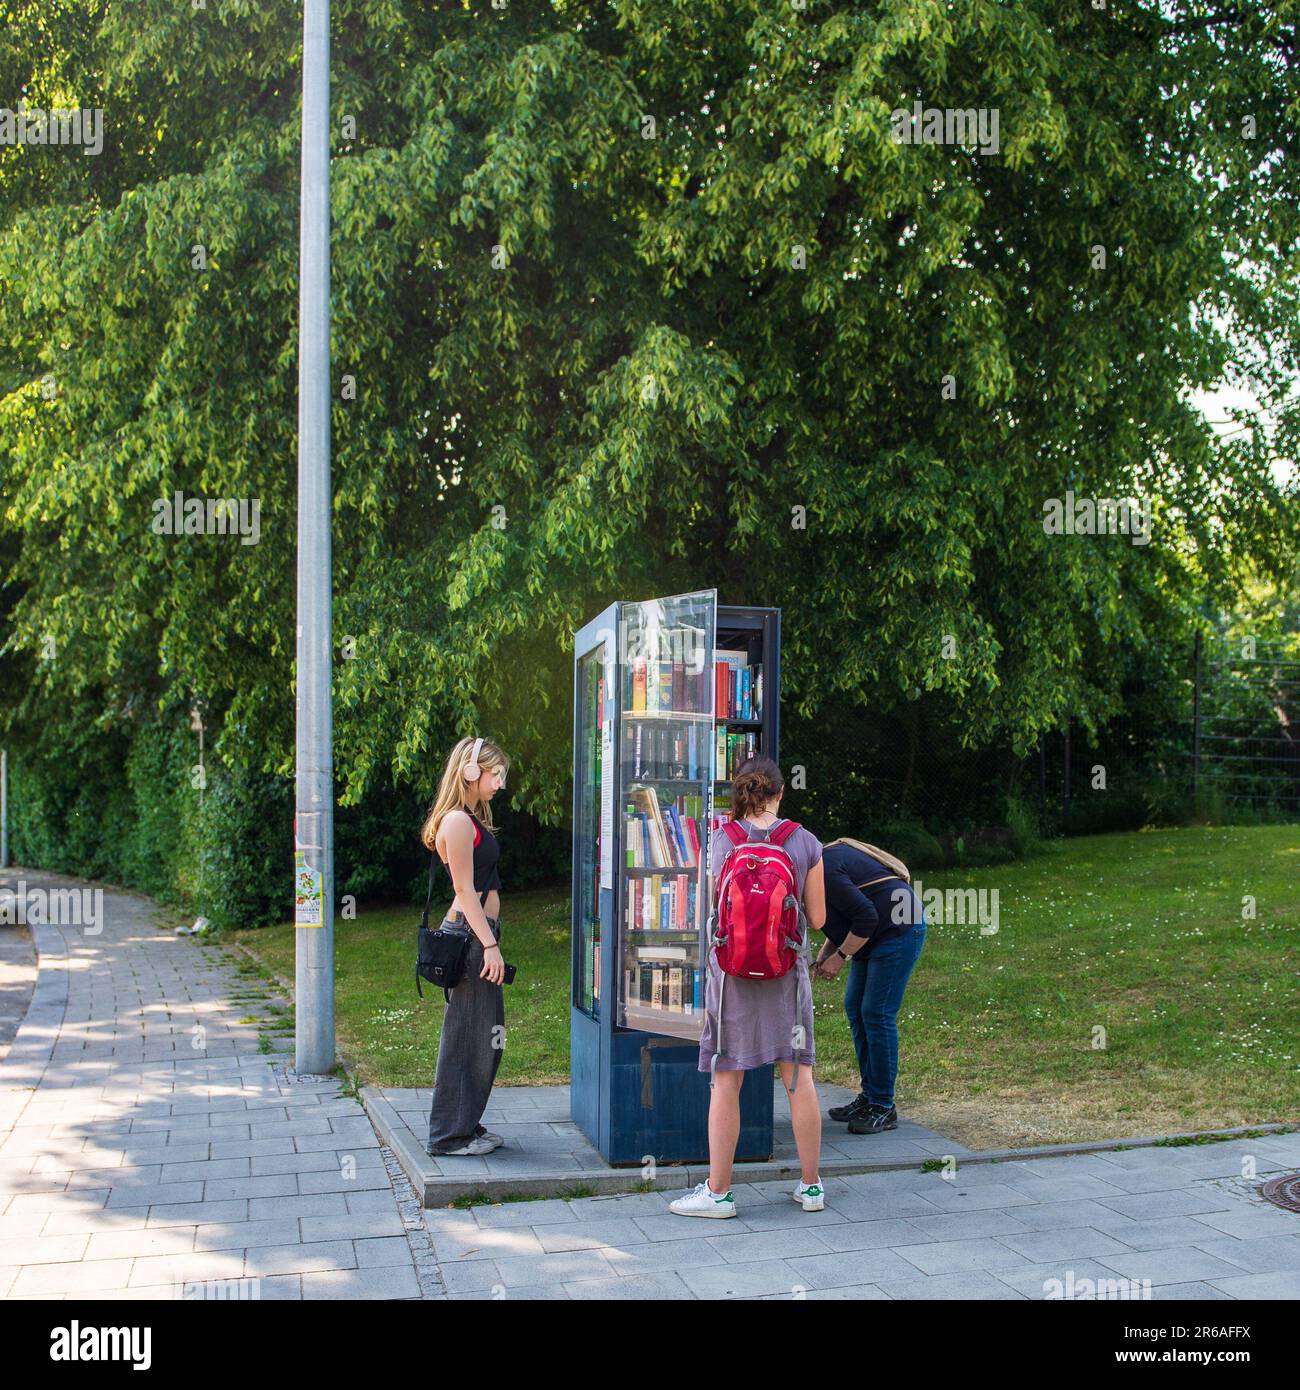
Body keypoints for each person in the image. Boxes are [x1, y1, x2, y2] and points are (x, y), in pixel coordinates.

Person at [671, 756, 827, 1219]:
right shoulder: (805, 842)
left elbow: (713, 916)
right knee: (798, 1078)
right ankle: (812, 1187)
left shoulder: (721, 842)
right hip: (787, 979)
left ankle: (719, 1194)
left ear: (739, 794)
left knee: (726, 1080)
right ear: (781, 793)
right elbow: (817, 919)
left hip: (731, 980)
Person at [421, 735, 511, 1158]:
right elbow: (463, 888)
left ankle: (466, 1126)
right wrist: (489, 944)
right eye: (495, 774)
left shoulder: (471, 819)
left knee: (486, 1038)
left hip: (482, 934)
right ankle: (449, 1136)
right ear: (471, 772)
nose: (499, 783)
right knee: (466, 1037)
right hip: (471, 937)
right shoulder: (457, 822)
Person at [811, 839, 926, 1134]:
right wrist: (826, 951)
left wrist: (839, 958)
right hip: (872, 933)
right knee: (855, 1008)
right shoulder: (818, 864)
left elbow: (865, 917)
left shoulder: (826, 871)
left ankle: (884, 1107)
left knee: (876, 1013)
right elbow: (847, 913)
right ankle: (870, 1096)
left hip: (897, 929)